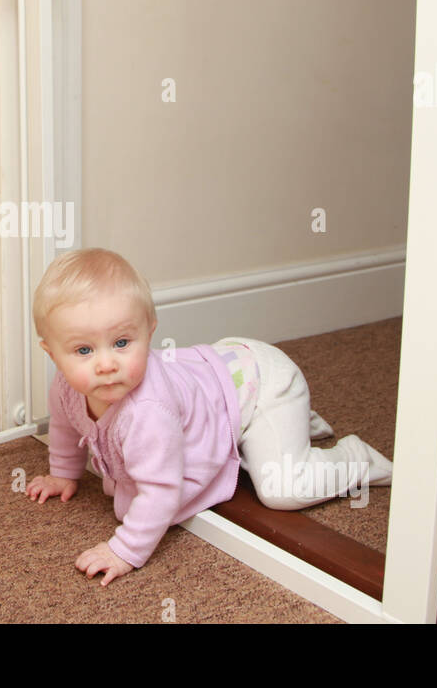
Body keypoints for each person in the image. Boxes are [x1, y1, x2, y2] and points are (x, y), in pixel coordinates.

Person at [25, 247, 393, 586]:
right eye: (84, 350)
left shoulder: (148, 411)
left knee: (283, 489)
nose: (106, 364)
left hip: (263, 383)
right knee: (127, 493)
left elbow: (161, 491)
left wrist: (125, 550)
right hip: (222, 372)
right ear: (52, 353)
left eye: (122, 343)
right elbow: (63, 426)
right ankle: (290, 425)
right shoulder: (65, 388)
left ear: (149, 330)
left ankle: (354, 459)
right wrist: (62, 473)